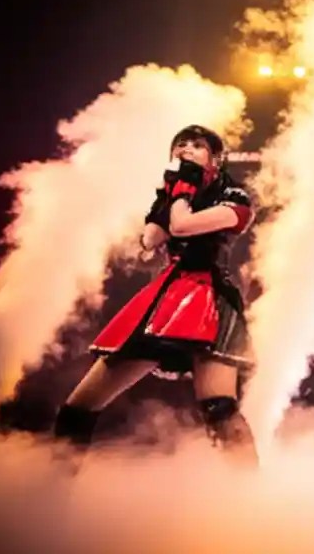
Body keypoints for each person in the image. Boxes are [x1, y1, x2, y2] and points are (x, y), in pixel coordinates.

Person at [51, 125, 258, 466]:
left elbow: (181, 227)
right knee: (78, 407)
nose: (186, 149)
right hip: (166, 299)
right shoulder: (179, 194)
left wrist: (182, 192)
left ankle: (251, 496)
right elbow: (151, 239)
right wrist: (172, 193)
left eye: (196, 145)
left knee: (219, 407)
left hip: (211, 299)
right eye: (179, 145)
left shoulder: (235, 199)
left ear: (216, 160)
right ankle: (53, 488)